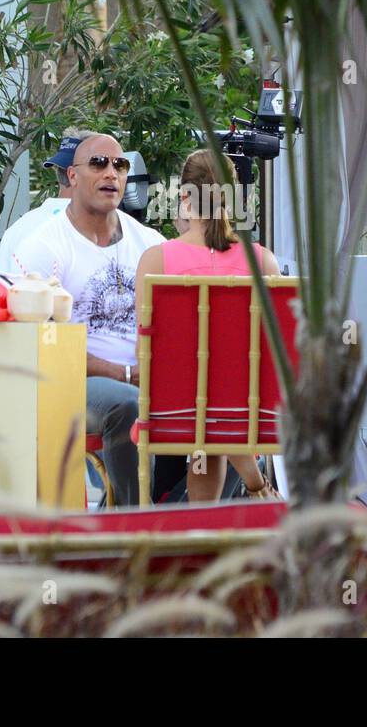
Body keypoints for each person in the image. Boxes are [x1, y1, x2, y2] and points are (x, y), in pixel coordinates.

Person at [14, 133, 165, 505]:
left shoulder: (149, 243)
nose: (111, 173)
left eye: (120, 165)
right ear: (72, 176)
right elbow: (37, 345)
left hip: (149, 380)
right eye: (98, 163)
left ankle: (179, 523)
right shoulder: (43, 247)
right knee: (128, 404)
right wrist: (124, 374)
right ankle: (135, 527)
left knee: (225, 407)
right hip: (73, 384)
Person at [135, 148, 281, 502]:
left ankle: (197, 528)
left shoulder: (157, 259)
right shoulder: (262, 261)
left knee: (204, 404)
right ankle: (254, 480)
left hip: (172, 410)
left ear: (185, 197)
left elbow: (146, 348)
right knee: (219, 397)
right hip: (250, 410)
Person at [0, 129, 90, 272]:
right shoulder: (104, 228)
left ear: (57, 169)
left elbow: (2, 288)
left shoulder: (18, 228)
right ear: (72, 174)